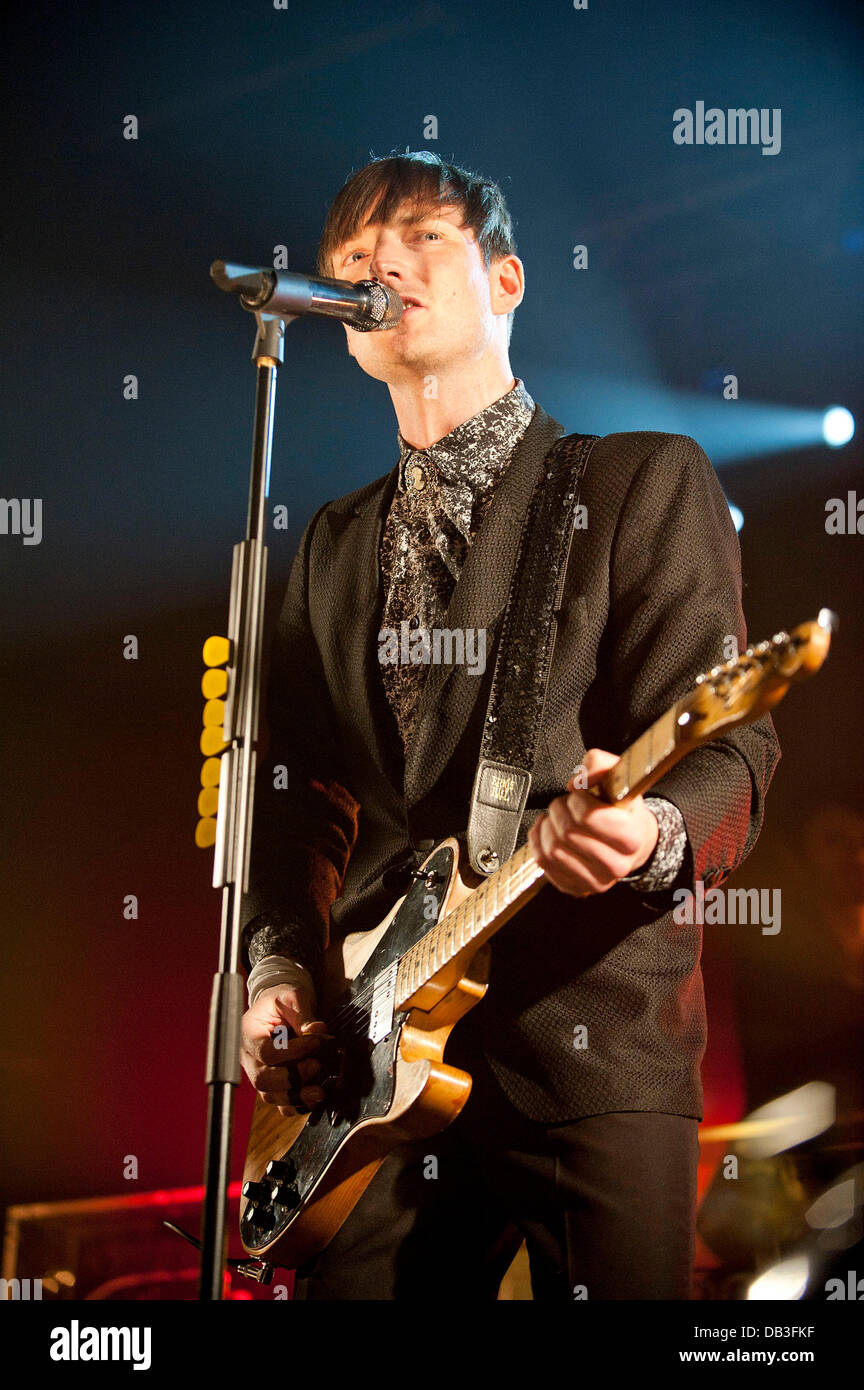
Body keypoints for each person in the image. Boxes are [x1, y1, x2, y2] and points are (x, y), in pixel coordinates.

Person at [238, 151, 781, 1300]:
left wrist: (652, 835)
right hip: (376, 1078)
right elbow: (289, 798)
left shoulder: (641, 482)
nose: (380, 263)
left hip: (590, 1045)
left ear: (509, 280)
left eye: (422, 237)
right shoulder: (328, 551)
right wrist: (277, 970)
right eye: (350, 260)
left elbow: (736, 748)